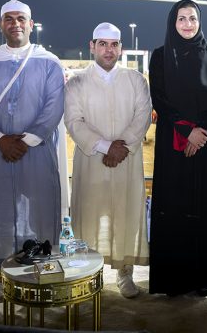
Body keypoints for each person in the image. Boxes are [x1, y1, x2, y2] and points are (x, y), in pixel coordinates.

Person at [0, 0, 67, 305]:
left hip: (37, 151)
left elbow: (54, 105)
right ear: (1, 24)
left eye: (21, 18)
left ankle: (42, 275)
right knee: (0, 216)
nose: (15, 24)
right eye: (9, 19)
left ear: (31, 23)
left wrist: (28, 140)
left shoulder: (49, 61)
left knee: (41, 214)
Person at [64, 22, 152, 299]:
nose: (108, 50)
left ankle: (124, 273)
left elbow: (143, 116)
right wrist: (105, 147)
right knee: (89, 215)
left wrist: (121, 146)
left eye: (113, 45)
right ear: (92, 46)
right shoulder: (77, 81)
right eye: (102, 44)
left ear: (121, 48)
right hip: (92, 162)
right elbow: (74, 122)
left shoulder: (135, 79)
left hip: (126, 160)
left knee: (126, 213)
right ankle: (88, 274)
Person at [148, 0, 207, 297]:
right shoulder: (160, 56)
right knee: (175, 204)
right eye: (181, 19)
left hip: (206, 142)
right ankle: (174, 280)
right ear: (173, 22)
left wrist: (200, 131)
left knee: (203, 204)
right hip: (173, 143)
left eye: (192, 18)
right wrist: (187, 131)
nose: (188, 24)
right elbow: (160, 99)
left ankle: (201, 277)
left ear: (199, 21)